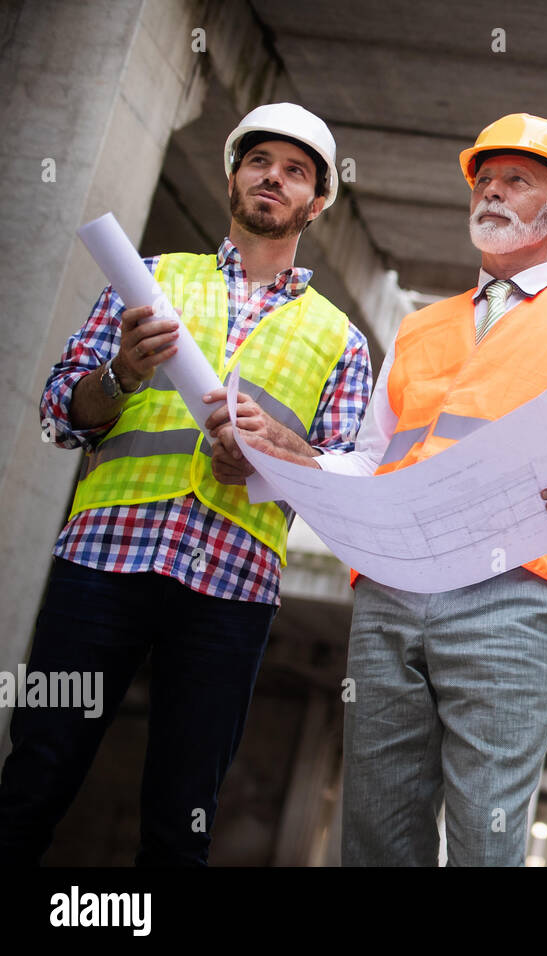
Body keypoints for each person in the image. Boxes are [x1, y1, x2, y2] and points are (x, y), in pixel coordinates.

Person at [264, 112, 547, 866]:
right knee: (377, 832)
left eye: (517, 179)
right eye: (484, 180)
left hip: (512, 597)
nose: (493, 193)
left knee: (485, 834)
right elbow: (374, 457)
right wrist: (310, 461)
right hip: (391, 585)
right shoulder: (420, 329)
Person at [0, 103, 372, 865]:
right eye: (259, 160)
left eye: (296, 170)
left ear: (319, 201)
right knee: (34, 773)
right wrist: (122, 372)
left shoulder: (343, 339)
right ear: (234, 176)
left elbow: (344, 482)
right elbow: (59, 415)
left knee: (183, 813)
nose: (273, 176)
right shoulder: (152, 279)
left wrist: (276, 460)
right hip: (101, 565)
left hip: (229, 593)